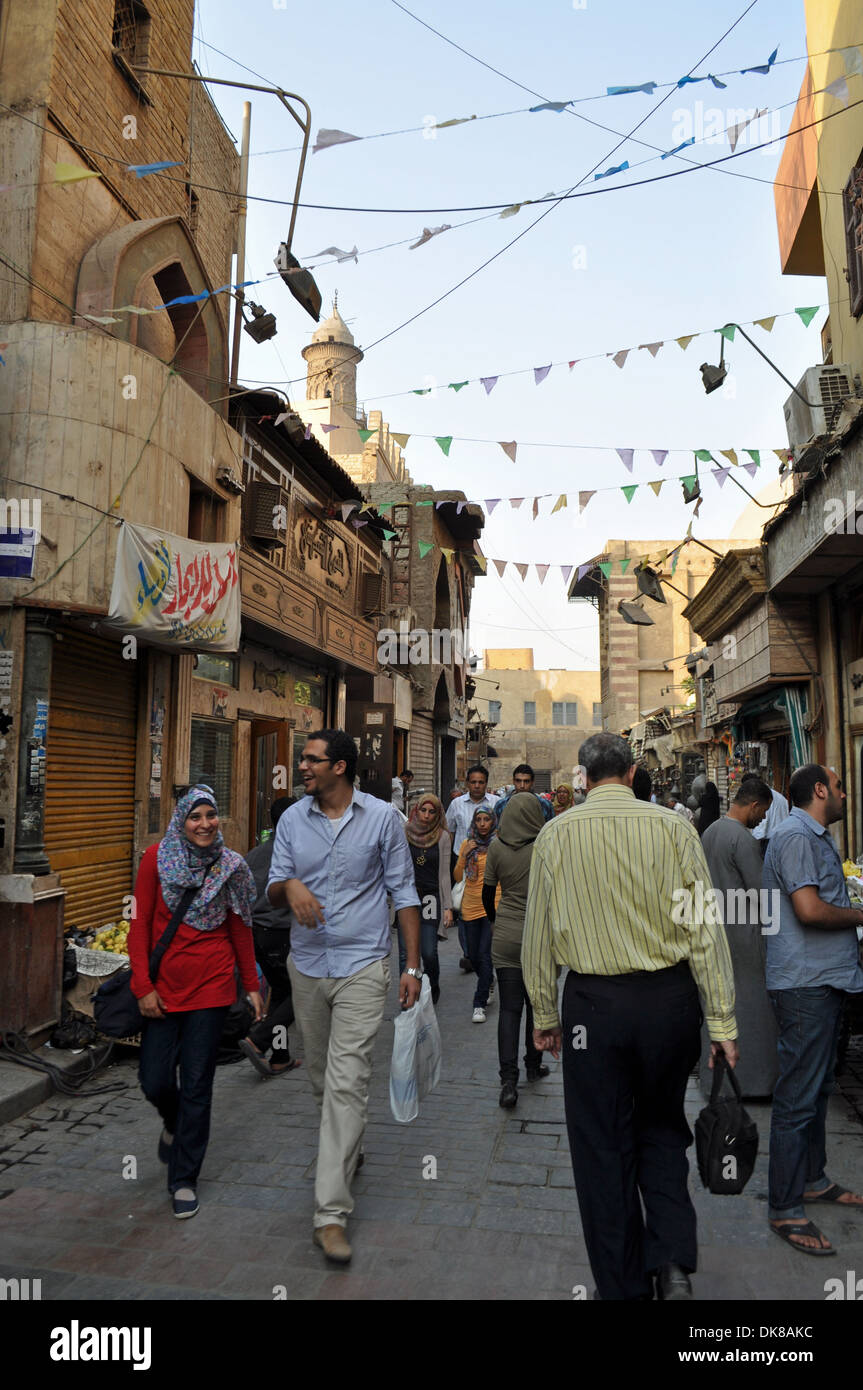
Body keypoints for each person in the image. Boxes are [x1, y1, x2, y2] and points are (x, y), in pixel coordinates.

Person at [523, 733, 738, 1301]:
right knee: (663, 1130)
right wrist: (721, 1022)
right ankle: (671, 1263)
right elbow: (705, 930)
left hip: (593, 1008)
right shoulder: (673, 828)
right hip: (669, 1004)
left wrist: (544, 1013)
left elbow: (537, 934)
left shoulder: (555, 834)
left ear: (583, 775)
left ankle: (621, 1287)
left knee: (601, 1145)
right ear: (635, 770)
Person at [267, 729, 421, 1266]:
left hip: (362, 965)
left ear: (341, 767)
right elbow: (273, 883)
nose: (301, 767)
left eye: (311, 760)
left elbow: (404, 892)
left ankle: (329, 1214)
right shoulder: (291, 820)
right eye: (303, 759)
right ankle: (346, 1148)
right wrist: (289, 887)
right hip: (307, 965)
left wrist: (412, 966)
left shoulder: (381, 819)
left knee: (348, 1079)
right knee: (322, 1082)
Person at [130, 786, 262, 1220]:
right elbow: (140, 924)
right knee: (155, 1079)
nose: (205, 824)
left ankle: (184, 1178)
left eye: (211, 815)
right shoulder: (156, 859)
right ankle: (173, 1123)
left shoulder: (232, 867)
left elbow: (240, 927)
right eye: (195, 817)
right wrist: (143, 986)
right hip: (164, 990)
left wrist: (251, 984)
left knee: (199, 1084)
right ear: (181, 822)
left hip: (213, 987)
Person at [763, 763, 863, 1256]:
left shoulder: (814, 835)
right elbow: (809, 910)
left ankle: (813, 1179)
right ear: (821, 790)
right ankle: (784, 1206)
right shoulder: (796, 837)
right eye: (840, 785)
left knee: (818, 1088)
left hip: (823, 980)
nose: (845, 793)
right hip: (804, 986)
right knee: (798, 1096)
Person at [699, 777, 775, 1098]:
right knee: (752, 1009)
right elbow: (761, 895)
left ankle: (714, 1080)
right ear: (754, 805)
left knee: (718, 1006)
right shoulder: (742, 839)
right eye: (764, 812)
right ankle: (752, 1083)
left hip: (715, 931)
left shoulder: (710, 831)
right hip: (743, 938)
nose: (763, 819)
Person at [482, 793, 550, 1108]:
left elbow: (487, 895)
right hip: (538, 939)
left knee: (510, 1010)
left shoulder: (495, 847)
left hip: (506, 936)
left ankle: (508, 1081)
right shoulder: (545, 846)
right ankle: (533, 1065)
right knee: (536, 1004)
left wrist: (498, 922)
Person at [239, 796, 302, 1079]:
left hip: (258, 936)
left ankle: (280, 1057)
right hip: (282, 935)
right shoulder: (298, 853)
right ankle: (259, 1039)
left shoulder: (254, 854)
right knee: (300, 993)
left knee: (281, 994)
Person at [399, 793, 453, 1005]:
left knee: (429, 951)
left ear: (438, 814)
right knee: (405, 952)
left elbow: (445, 874)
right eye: (423, 810)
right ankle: (407, 992)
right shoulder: (404, 833)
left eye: (432, 812)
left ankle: (432, 984)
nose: (427, 816)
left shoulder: (442, 837)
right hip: (408, 897)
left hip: (431, 898)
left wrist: (448, 907)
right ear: (416, 810)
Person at [446, 764, 498, 972]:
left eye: (481, 782)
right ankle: (469, 952)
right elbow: (449, 832)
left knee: (488, 909)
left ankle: (485, 952)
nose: (477, 786)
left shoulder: (496, 803)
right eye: (473, 782)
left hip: (489, 863)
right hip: (463, 863)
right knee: (463, 909)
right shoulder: (456, 804)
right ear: (468, 783)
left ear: (486, 783)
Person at [453, 807, 499, 1023]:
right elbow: (457, 875)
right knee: (471, 955)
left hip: (492, 906)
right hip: (470, 906)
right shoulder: (466, 843)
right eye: (478, 819)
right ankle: (488, 980)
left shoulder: (498, 844)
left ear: (492, 821)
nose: (482, 823)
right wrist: (464, 855)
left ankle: (478, 1004)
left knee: (484, 954)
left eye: (486, 819)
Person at [745, 772, 790, 856]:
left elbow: (761, 827)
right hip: (783, 840)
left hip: (768, 842)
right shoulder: (780, 797)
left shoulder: (762, 798)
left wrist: (753, 845)